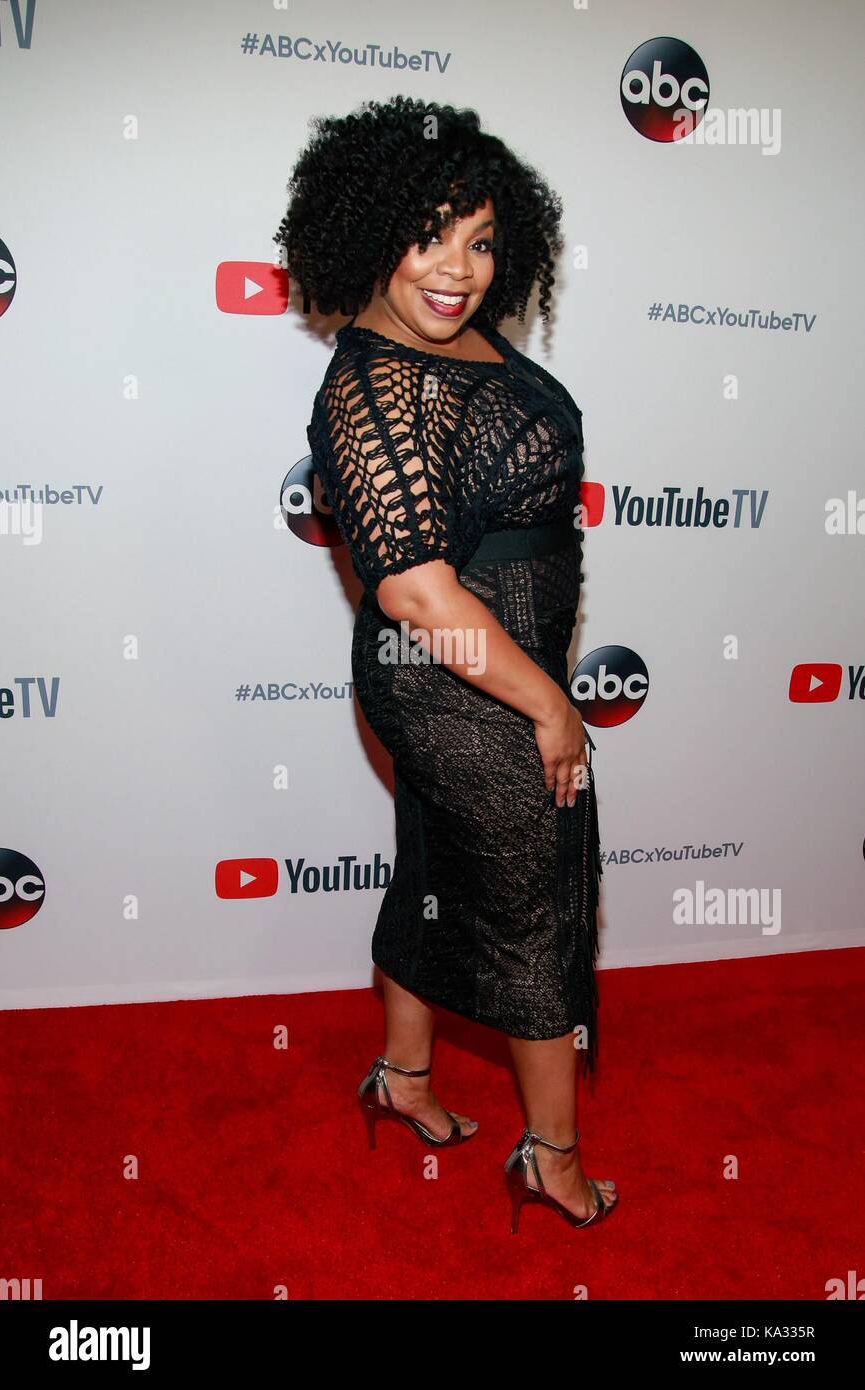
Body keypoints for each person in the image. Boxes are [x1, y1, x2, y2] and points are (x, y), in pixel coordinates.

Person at [274, 95, 618, 1231]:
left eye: (479, 241)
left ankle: (403, 1079)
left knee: (431, 866)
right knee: (531, 908)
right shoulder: (370, 383)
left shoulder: (452, 337)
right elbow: (417, 591)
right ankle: (551, 1159)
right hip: (456, 677)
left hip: (491, 662)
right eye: (429, 235)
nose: (457, 270)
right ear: (372, 231)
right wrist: (551, 708)